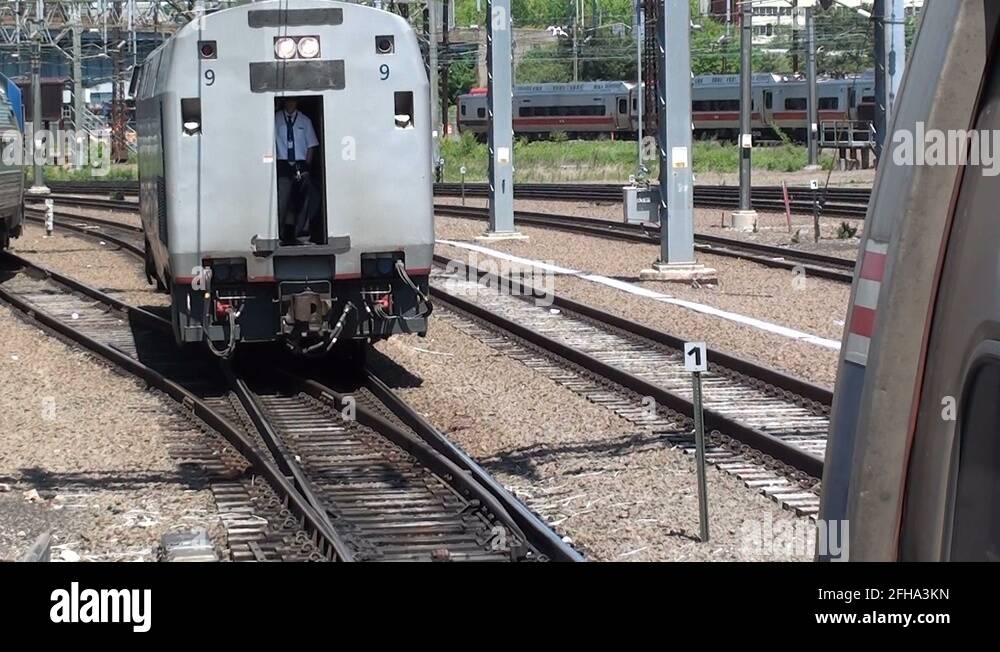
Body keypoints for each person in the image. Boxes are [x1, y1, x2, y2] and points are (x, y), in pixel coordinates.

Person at [275, 98, 320, 244]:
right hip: (282, 162)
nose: (290, 104)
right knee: (282, 199)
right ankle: (279, 235)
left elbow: (311, 145)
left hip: (300, 163)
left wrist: (306, 165)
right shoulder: (275, 119)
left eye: (293, 101)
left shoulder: (304, 121)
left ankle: (302, 235)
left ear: (297, 103)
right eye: (288, 101)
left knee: (303, 199)